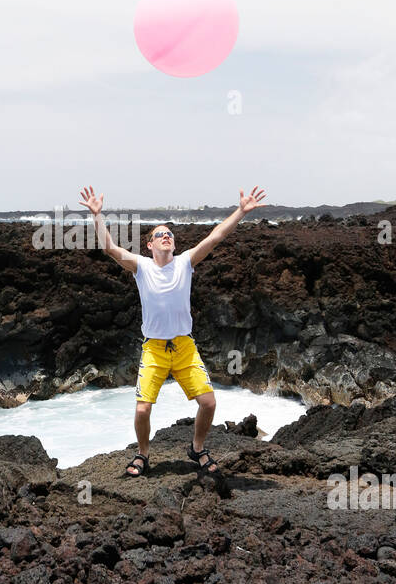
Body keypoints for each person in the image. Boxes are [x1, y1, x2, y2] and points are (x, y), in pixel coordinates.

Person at [79, 185, 267, 476]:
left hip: (184, 347)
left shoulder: (185, 263)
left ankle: (198, 447)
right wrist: (97, 215)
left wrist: (241, 211)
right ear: (150, 245)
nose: (166, 236)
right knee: (142, 409)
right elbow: (109, 248)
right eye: (159, 234)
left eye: (170, 234)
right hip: (154, 348)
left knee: (208, 402)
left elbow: (216, 236)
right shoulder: (141, 267)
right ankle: (142, 454)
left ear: (174, 245)